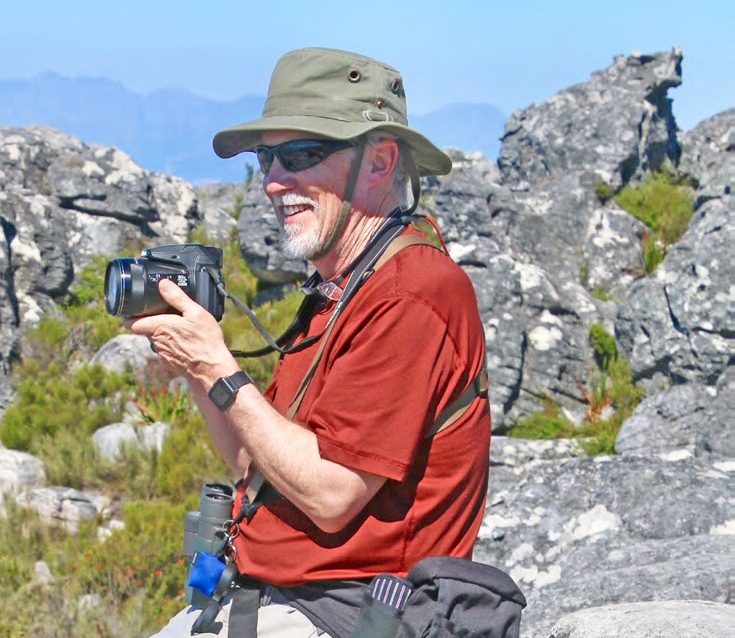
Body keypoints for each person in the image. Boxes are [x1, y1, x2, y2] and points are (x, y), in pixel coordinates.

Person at [129, 47, 491, 638]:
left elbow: (329, 494)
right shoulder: (343, 289)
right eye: (267, 157)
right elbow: (257, 460)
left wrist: (219, 366)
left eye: (301, 154)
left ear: (380, 161)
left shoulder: (411, 294)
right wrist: (194, 362)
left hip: (346, 615)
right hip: (278, 601)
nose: (273, 181)